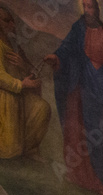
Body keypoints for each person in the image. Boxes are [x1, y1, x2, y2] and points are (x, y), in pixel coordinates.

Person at [44, 0, 103, 195]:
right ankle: (76, 175)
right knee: (74, 131)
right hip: (77, 85)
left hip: (96, 90)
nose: (87, 11)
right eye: (85, 6)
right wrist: (56, 58)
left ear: (97, 9)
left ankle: (97, 181)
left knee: (95, 134)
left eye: (90, 7)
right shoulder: (78, 28)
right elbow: (66, 48)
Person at [0, 7, 50, 159]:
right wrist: (21, 85)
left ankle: (30, 149)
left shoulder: (14, 45)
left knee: (42, 108)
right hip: (4, 97)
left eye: (12, 21)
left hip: (20, 96)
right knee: (10, 151)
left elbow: (31, 71)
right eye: (6, 21)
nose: (12, 25)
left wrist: (24, 66)